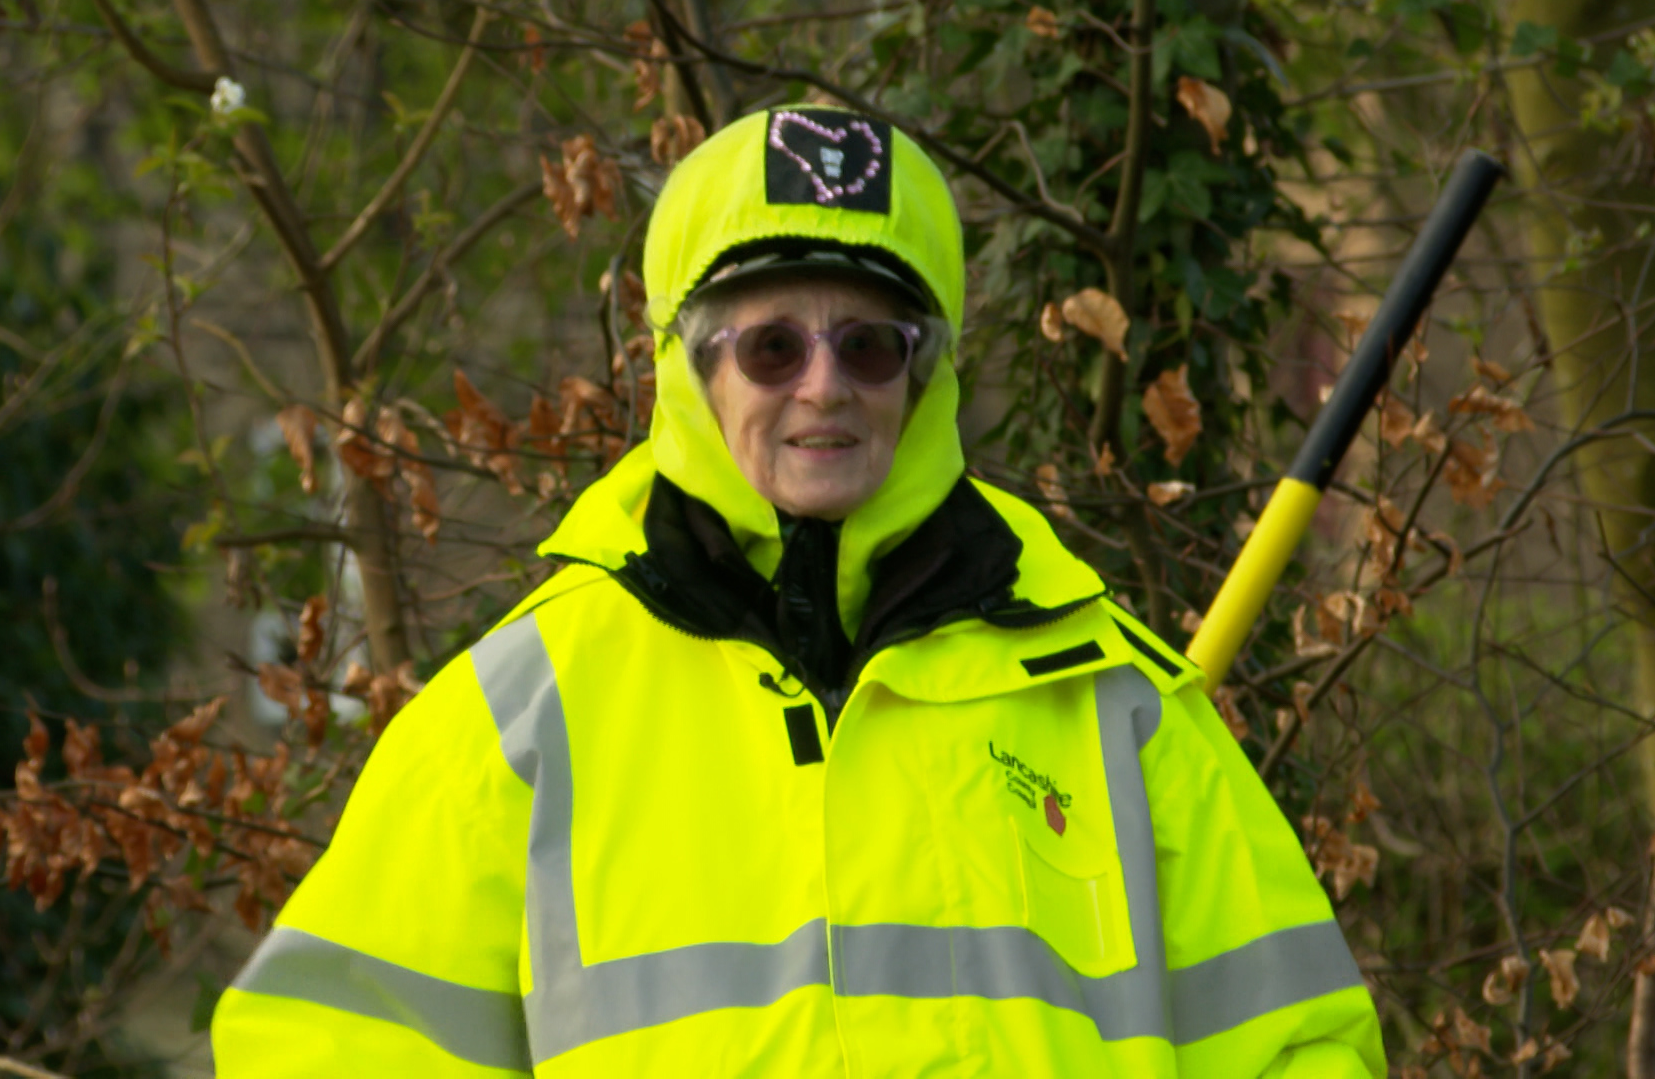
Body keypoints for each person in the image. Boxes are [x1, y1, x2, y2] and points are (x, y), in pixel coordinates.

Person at [210, 107, 1387, 1077]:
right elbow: (322, 1049)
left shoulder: (1113, 700)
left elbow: (1303, 1048)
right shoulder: (528, 709)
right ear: (690, 367)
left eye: (869, 346)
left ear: (923, 375)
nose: (825, 388)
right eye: (773, 347)